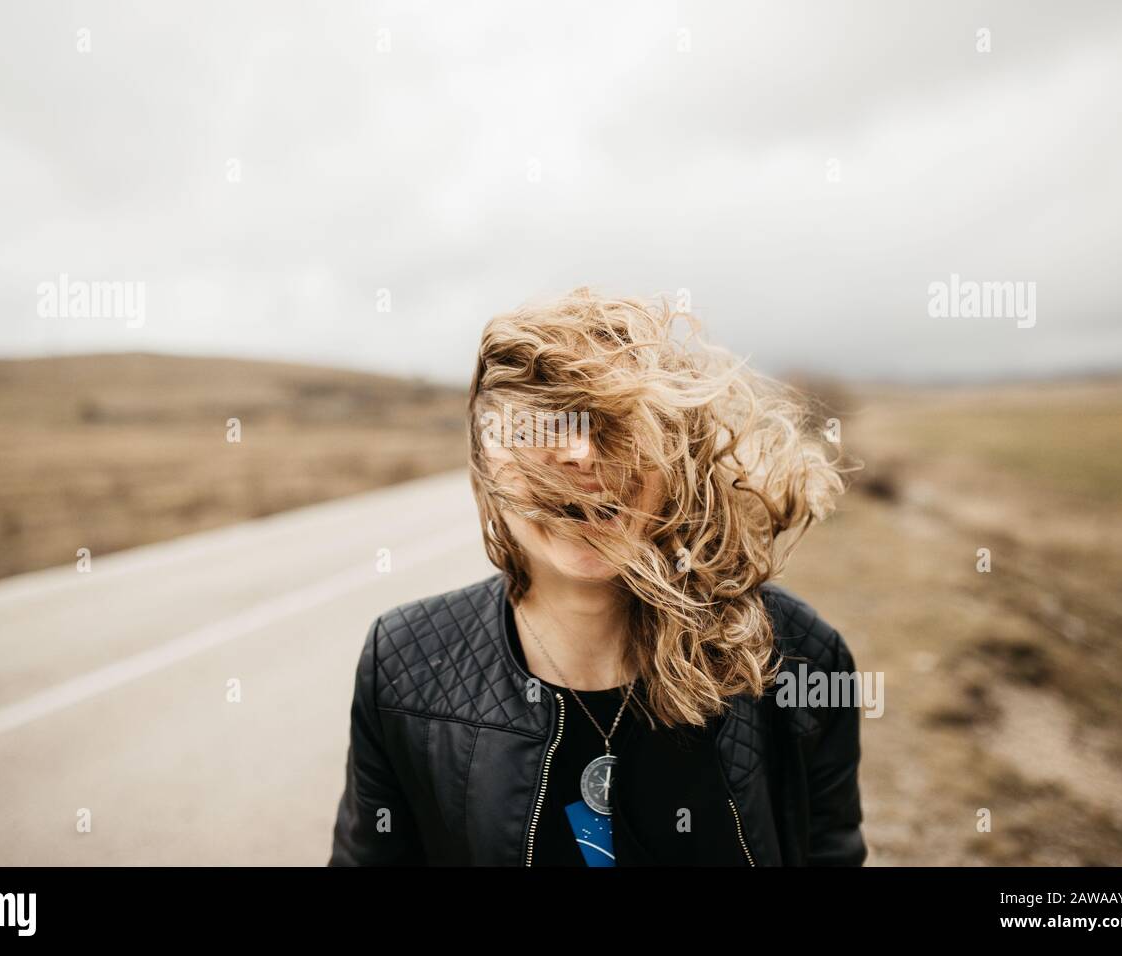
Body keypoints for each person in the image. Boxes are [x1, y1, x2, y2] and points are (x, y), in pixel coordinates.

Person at [328, 286, 867, 866]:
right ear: (487, 466)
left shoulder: (797, 657)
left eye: (616, 422)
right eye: (540, 428)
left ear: (676, 458)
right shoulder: (404, 666)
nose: (582, 454)